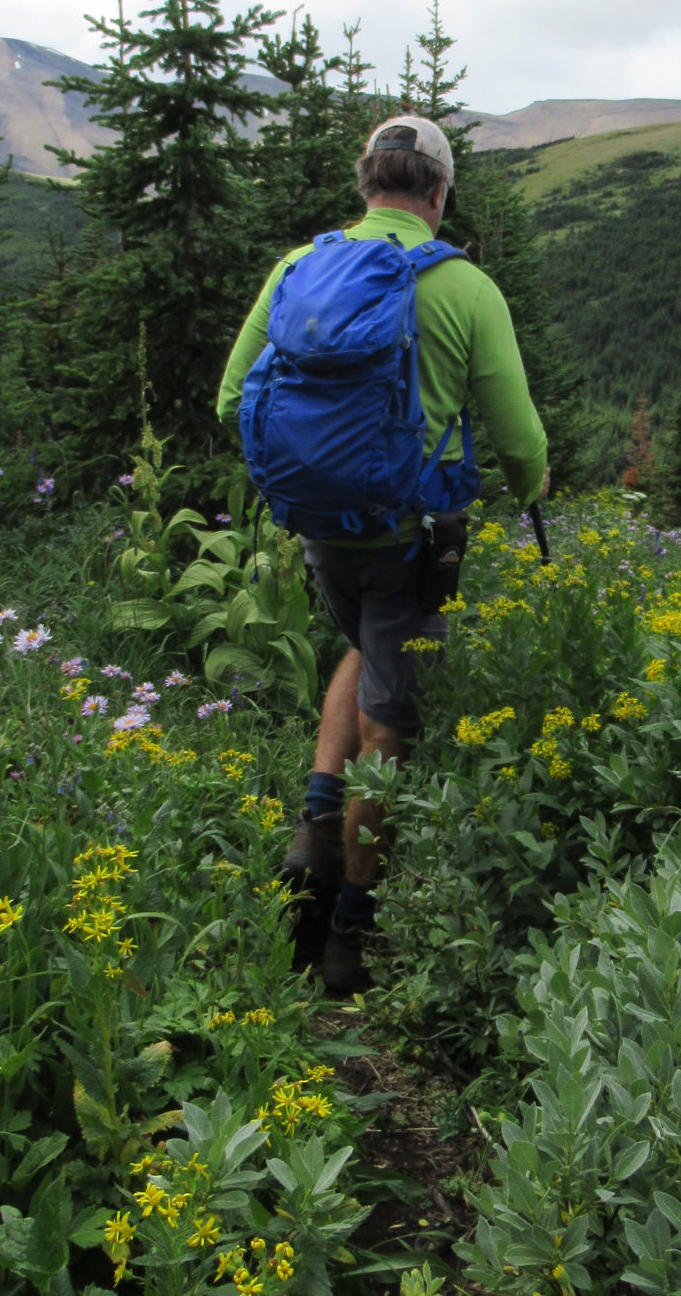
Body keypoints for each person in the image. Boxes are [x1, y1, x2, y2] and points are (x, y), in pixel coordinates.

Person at [217, 114, 548, 992]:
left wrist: (305, 476)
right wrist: (533, 483)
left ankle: (313, 835)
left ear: (366, 183)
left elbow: (229, 401)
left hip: (320, 528)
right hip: (413, 535)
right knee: (391, 717)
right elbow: (518, 435)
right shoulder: (465, 286)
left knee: (361, 646)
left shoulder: (297, 269)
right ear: (439, 192)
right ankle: (347, 936)